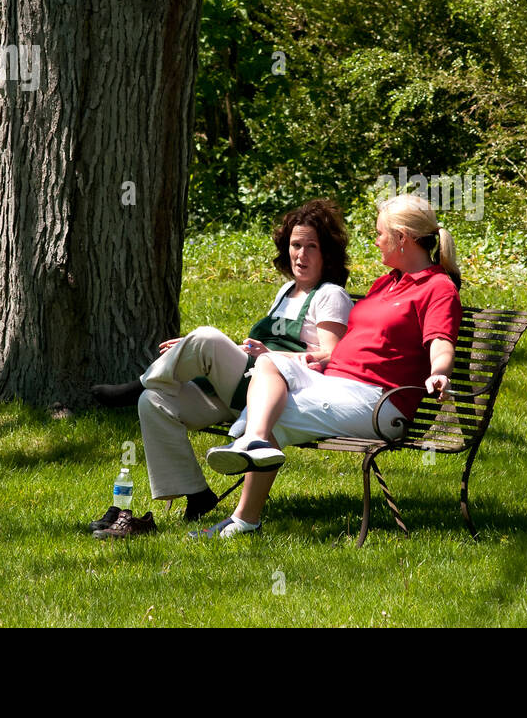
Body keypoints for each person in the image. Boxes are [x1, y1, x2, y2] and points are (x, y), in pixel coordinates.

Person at [193, 193, 462, 539]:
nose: (376, 240)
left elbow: (441, 341)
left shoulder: (437, 288)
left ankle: (245, 511)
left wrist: (439, 372)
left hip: (379, 401)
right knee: (269, 365)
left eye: (380, 233)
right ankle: (255, 448)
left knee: (270, 410)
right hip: (336, 385)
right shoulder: (387, 282)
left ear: (402, 238)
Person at [89, 199, 354, 538]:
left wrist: (267, 353)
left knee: (207, 339)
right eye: (295, 245)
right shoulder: (287, 291)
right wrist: (201, 348)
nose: (300, 255)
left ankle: (139, 382)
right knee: (154, 402)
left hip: (279, 391)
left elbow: (330, 356)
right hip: (245, 385)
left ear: (327, 252)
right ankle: (197, 495)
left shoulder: (330, 295)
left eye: (311, 247)